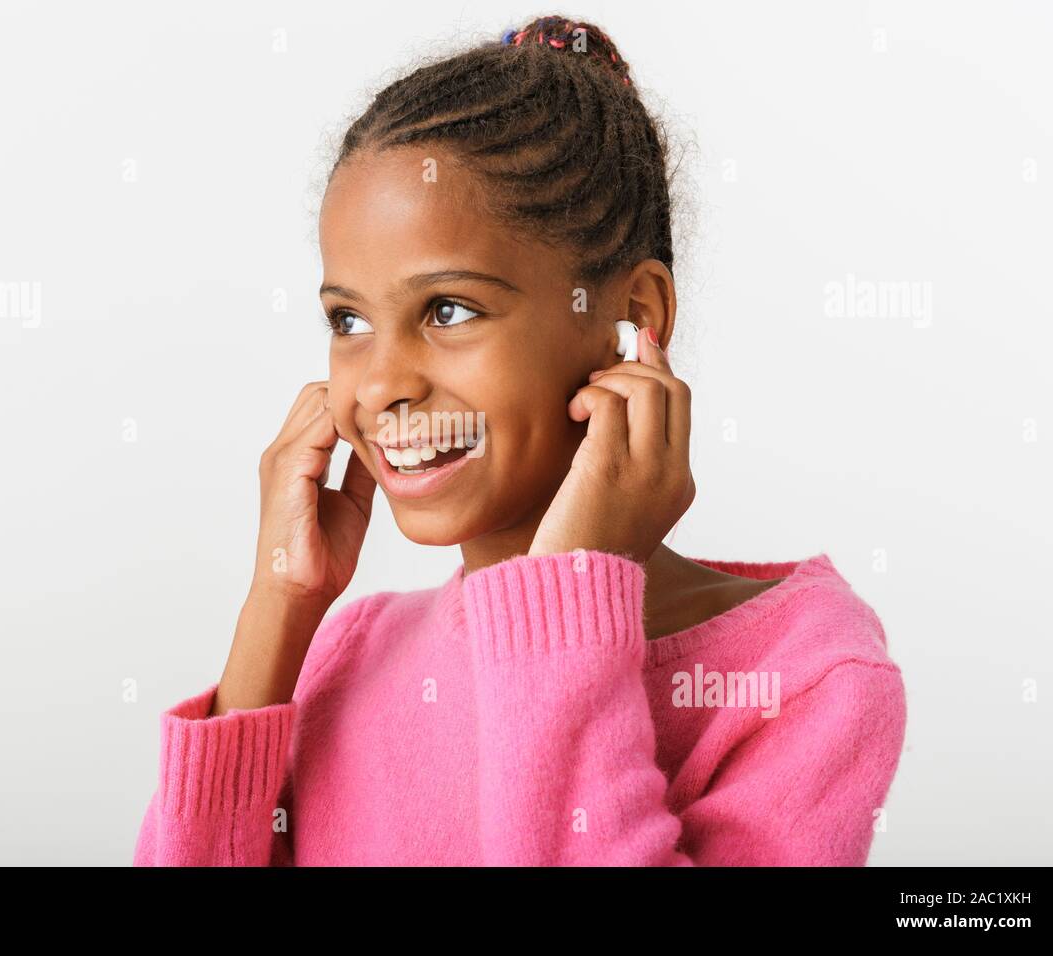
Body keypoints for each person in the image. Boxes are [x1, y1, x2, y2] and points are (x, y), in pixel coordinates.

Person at [132, 14, 906, 866]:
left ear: (633, 320)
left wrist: (568, 595)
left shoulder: (805, 676)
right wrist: (279, 611)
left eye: (449, 309)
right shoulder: (355, 653)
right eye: (348, 319)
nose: (382, 382)